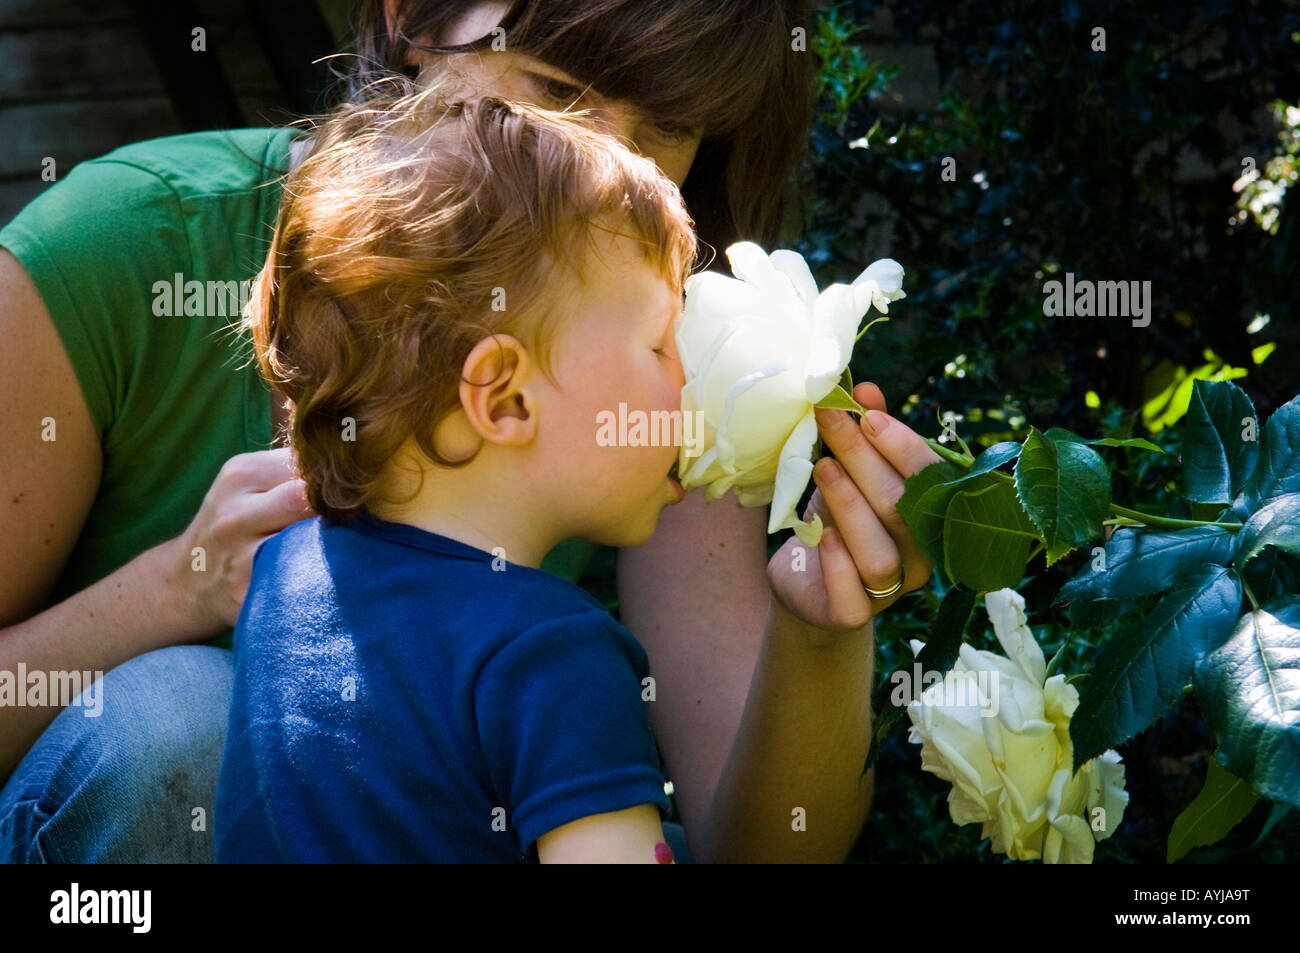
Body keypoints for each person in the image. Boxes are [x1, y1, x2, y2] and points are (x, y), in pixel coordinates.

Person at [0, 0, 939, 863]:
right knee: (186, 724)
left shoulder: (659, 359)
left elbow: (756, 850)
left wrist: (819, 633)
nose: (602, 162)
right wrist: (175, 587)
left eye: (661, 130)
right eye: (557, 93)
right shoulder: (119, 242)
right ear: (413, 16)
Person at [219, 78, 705, 862]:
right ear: (505, 398)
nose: (690, 376)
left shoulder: (285, 575)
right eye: (660, 343)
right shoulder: (554, 653)